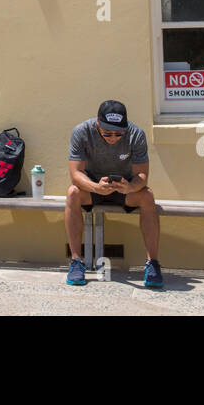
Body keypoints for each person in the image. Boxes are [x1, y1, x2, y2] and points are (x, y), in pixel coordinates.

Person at [64, 100, 162, 288]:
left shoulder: (136, 134)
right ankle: (76, 261)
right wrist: (95, 187)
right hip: (93, 188)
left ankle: (153, 264)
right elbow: (75, 175)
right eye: (107, 133)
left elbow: (142, 176)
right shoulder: (81, 132)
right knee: (72, 193)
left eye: (119, 133)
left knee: (147, 196)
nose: (113, 137)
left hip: (124, 189)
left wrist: (130, 187)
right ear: (98, 123)